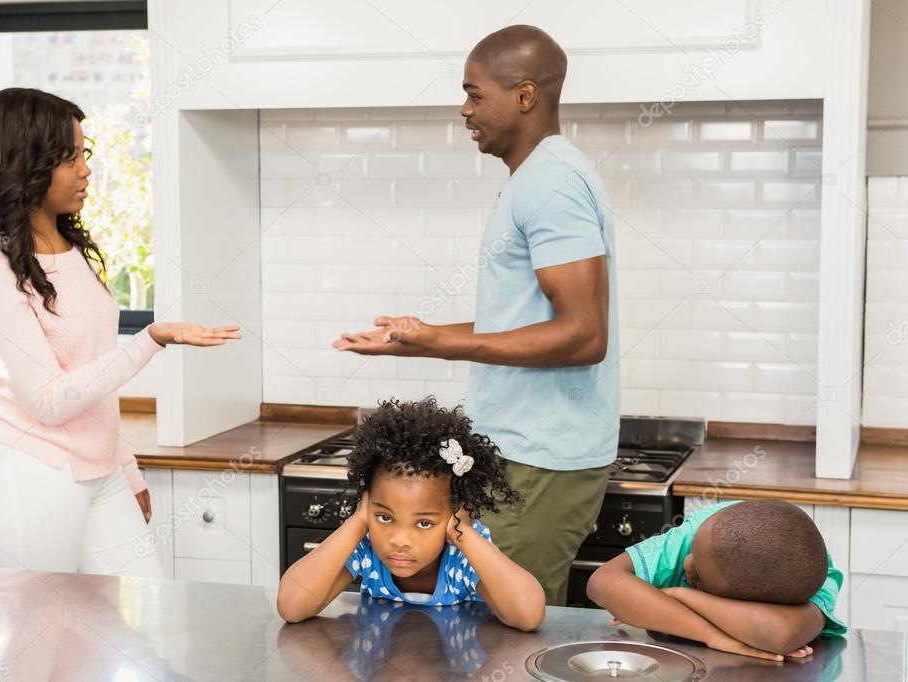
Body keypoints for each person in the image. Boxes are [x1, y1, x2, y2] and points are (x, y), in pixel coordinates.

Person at [333, 24, 619, 606]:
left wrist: (442, 341)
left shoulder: (551, 184)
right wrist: (420, 339)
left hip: (539, 457)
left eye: (475, 94)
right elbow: (520, 321)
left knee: (509, 634)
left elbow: (584, 336)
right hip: (522, 452)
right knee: (488, 628)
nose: (465, 110)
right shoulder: (536, 179)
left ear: (525, 95)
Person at [0, 87, 241, 577]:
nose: (85, 169)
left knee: (152, 618)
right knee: (37, 642)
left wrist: (127, 468)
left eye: (85, 153)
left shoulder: (69, 245)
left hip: (101, 473)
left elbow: (90, 380)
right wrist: (151, 340)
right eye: (69, 157)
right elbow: (49, 401)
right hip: (29, 474)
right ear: (25, 164)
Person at [276, 398, 545, 631]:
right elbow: (292, 607)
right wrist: (358, 521)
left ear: (454, 513)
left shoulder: (461, 557)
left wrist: (465, 536)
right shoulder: (367, 548)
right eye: (384, 517)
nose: (400, 539)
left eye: (424, 523)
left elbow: (528, 615)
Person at [587, 499, 847, 661]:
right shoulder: (704, 530)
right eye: (692, 552)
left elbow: (778, 634)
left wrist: (680, 595)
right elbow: (602, 583)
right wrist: (713, 636)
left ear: (746, 598)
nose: (687, 562)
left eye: (697, 577)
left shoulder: (812, 575)